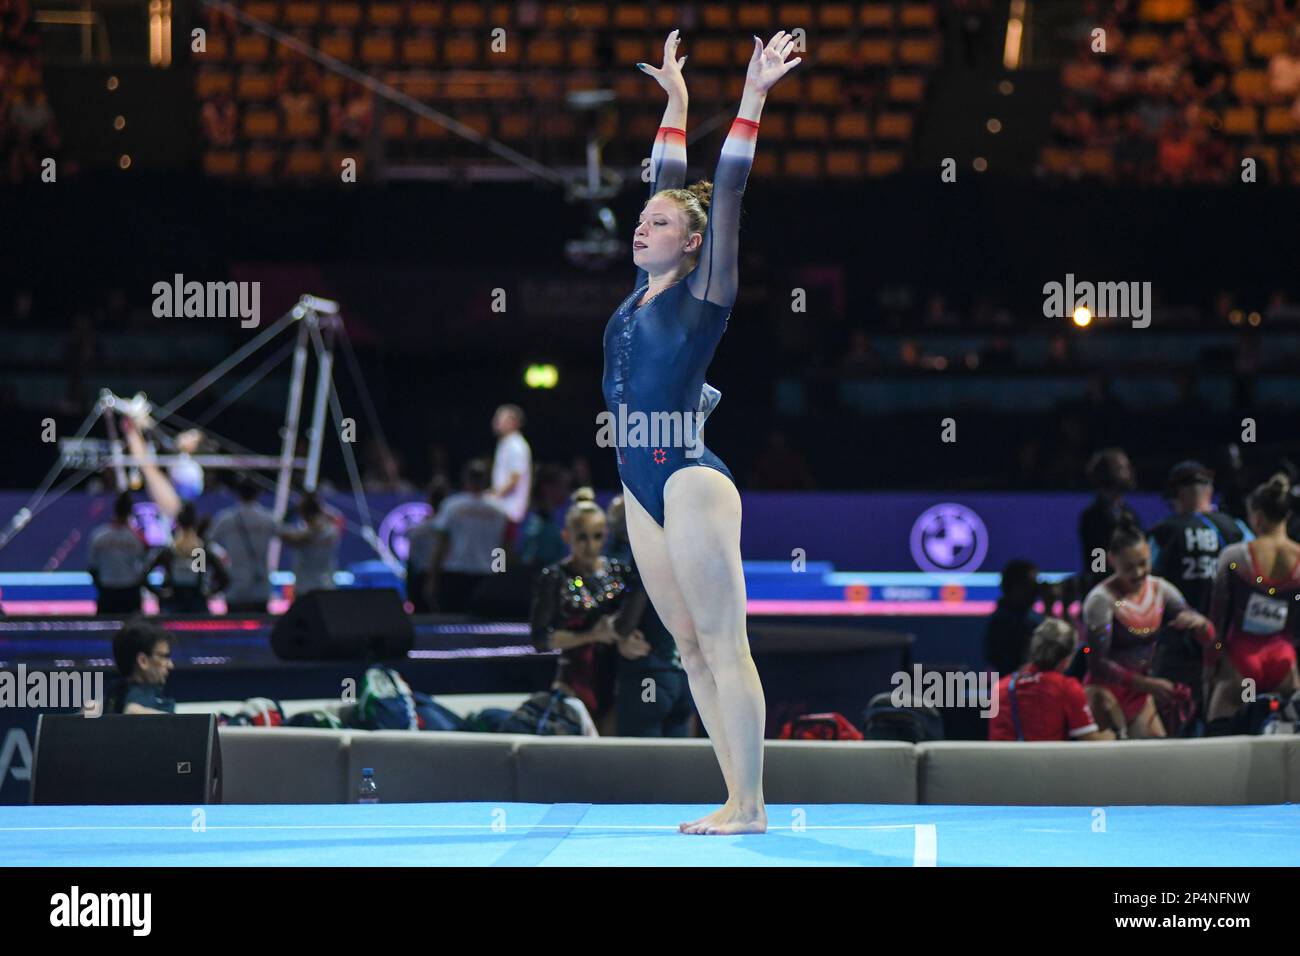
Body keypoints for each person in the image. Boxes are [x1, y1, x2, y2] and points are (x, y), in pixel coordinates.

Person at [602, 30, 798, 834]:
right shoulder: (640, 293)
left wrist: (750, 96)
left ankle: (752, 805)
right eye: (641, 219)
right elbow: (670, 179)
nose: (640, 227)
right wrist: (676, 104)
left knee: (724, 643)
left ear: (691, 244)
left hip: (687, 475)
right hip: (636, 485)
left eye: (657, 224)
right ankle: (732, 797)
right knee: (686, 648)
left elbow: (724, 187)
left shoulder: (704, 292)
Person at [529, 489, 648, 736]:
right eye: (581, 537)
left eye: (596, 537)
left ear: (605, 535)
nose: (590, 545)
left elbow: (634, 616)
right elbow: (541, 639)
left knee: (611, 763)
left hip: (616, 681)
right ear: (566, 536)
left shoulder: (618, 572)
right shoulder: (554, 577)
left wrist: (627, 636)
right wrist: (592, 635)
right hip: (574, 683)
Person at [1081, 519, 1214, 739]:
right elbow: (1097, 664)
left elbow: (1205, 630)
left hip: (1140, 696)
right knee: (1106, 768)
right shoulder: (1100, 600)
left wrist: (1200, 625)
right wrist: (1148, 684)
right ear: (1112, 561)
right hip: (1103, 694)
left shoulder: (1160, 589)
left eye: (1143, 563)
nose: (1139, 573)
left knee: (1155, 766)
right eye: (1129, 567)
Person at [1147, 460, 1251, 731]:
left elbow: (1144, 584)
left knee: (1171, 724)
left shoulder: (1163, 531)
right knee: (1225, 724)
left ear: (1176, 494)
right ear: (1209, 489)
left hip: (1178, 648)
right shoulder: (1236, 529)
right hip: (1228, 646)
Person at [1205, 473, 1300, 732]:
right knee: (1290, 746)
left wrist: (1210, 665)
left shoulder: (1234, 556)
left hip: (1241, 658)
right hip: (1284, 659)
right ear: (1286, 516)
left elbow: (1218, 616)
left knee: (1217, 737)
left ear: (1256, 516)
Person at [605, 494, 696, 736]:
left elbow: (627, 621)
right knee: (677, 770)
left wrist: (616, 630)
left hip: (650, 673)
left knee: (639, 770)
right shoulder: (688, 553)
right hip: (686, 680)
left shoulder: (645, 554)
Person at [988, 618, 1114, 741]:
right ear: (1067, 659)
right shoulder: (1067, 688)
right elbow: (1091, 740)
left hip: (1004, 761)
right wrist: (1114, 735)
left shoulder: (999, 687)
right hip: (1047, 761)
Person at [424, 459, 510, 613]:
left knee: (453, 626)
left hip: (456, 573)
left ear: (466, 478)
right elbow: (502, 547)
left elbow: (442, 544)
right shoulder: (499, 509)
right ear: (486, 479)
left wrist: (432, 578)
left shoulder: (452, 505)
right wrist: (499, 574)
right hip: (486, 574)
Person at [208, 476, 277, 613]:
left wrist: (217, 563)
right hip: (260, 585)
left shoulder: (226, 519)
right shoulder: (268, 519)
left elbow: (205, 543)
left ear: (238, 493)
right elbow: (292, 537)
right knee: (261, 632)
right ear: (258, 493)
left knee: (233, 631)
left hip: (235, 586)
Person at [1077, 447, 1140, 595]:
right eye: (1121, 468)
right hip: (1107, 591)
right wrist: (1102, 584)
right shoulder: (1092, 516)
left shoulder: (1130, 514)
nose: (1128, 472)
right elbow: (1095, 556)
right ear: (1104, 473)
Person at [146, 502, 230, 613]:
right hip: (195, 603)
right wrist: (208, 593)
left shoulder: (170, 550)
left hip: (174, 603)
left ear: (177, 523)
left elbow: (144, 575)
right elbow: (224, 578)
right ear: (195, 523)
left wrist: (161, 593)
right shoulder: (200, 550)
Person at [88, 491, 148, 615]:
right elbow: (144, 565)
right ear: (130, 512)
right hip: (129, 591)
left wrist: (101, 587)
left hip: (108, 590)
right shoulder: (137, 537)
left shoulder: (99, 535)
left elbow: (92, 567)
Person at [984, 559, 1044, 676]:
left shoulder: (1030, 618)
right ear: (1014, 587)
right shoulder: (1004, 622)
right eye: (1029, 586)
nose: (1035, 592)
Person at [106, 618, 176, 715]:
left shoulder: (110, 695)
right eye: (164, 657)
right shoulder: (138, 697)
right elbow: (132, 711)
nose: (170, 665)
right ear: (143, 661)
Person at [277, 492, 341, 598]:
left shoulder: (300, 535)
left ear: (302, 513)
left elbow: (279, 531)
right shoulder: (332, 531)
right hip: (327, 587)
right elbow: (338, 518)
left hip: (305, 590)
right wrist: (321, 511)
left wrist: (290, 513)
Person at [489, 404, 532, 532]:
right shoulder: (505, 443)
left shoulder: (516, 445)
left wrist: (493, 496)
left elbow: (515, 478)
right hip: (501, 508)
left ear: (513, 422)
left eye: (499, 419)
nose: (495, 422)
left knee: (504, 549)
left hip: (509, 511)